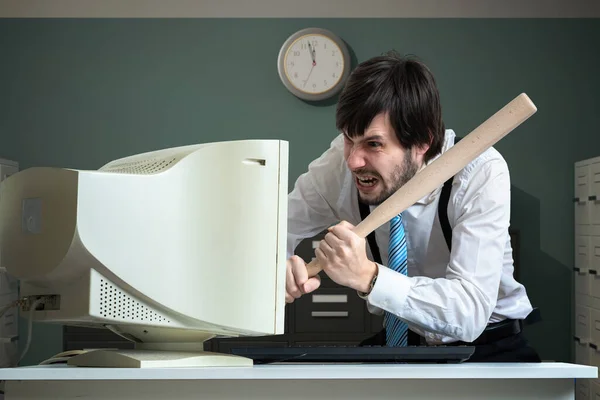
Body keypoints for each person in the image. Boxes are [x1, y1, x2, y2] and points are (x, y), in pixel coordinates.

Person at [285, 51, 541, 362]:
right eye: (349, 139)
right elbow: (272, 230)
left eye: (374, 144)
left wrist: (369, 276)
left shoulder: (479, 171)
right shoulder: (339, 166)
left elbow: (469, 314)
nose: (353, 160)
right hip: (403, 340)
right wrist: (278, 270)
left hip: (487, 344)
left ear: (422, 143)